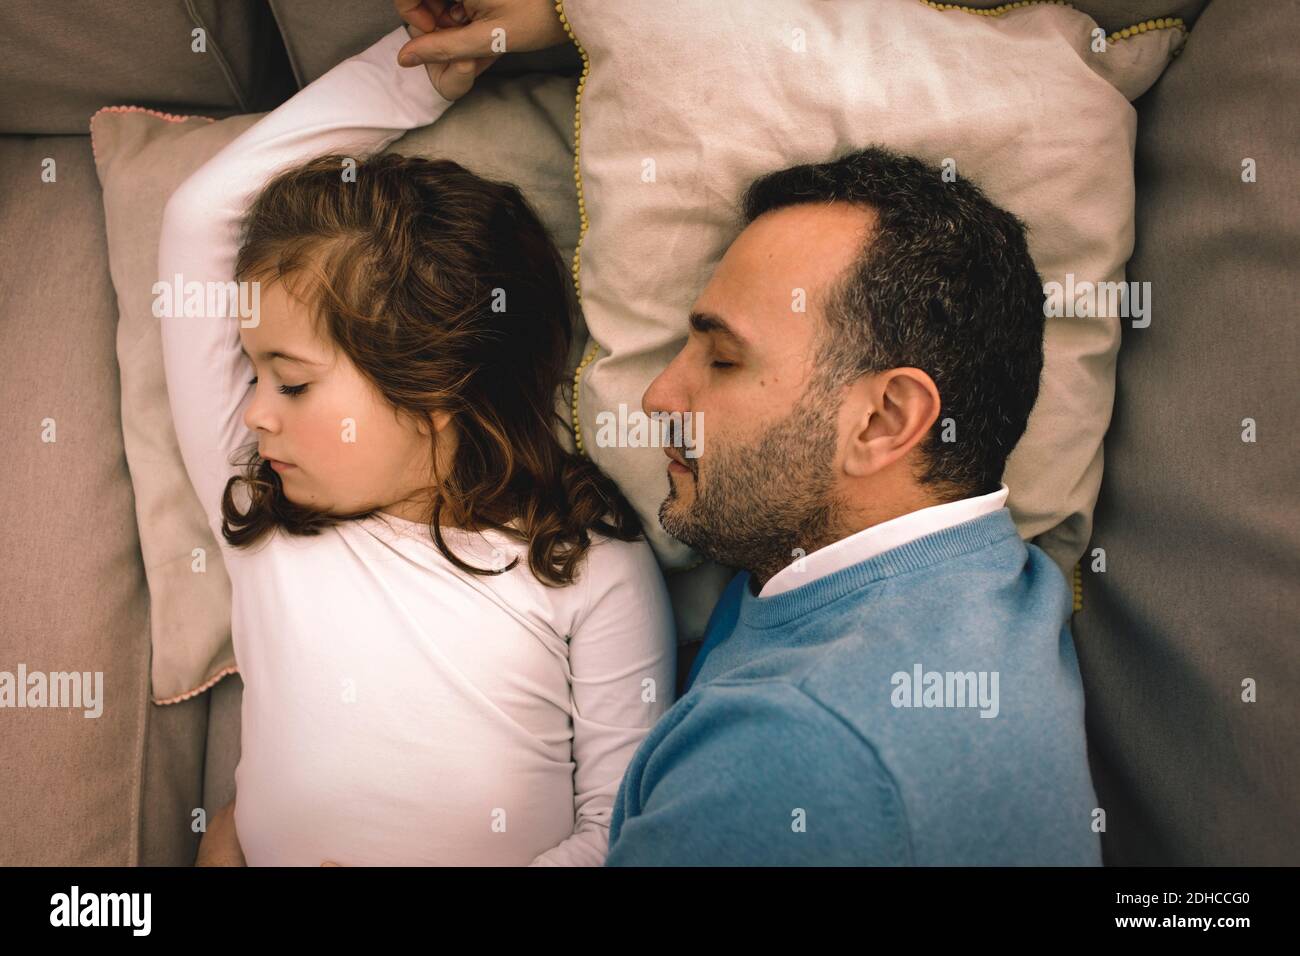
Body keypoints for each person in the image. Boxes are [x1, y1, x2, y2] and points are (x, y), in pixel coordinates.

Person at [164, 17, 675, 866]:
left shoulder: (583, 567)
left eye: (290, 382)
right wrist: (416, 76)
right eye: (254, 375)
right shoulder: (261, 506)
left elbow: (625, 832)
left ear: (435, 392)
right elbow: (198, 219)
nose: (254, 413)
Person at [605, 146, 1104, 865]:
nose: (658, 397)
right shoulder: (986, 574)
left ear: (883, 421)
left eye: (722, 359)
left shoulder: (793, 755)